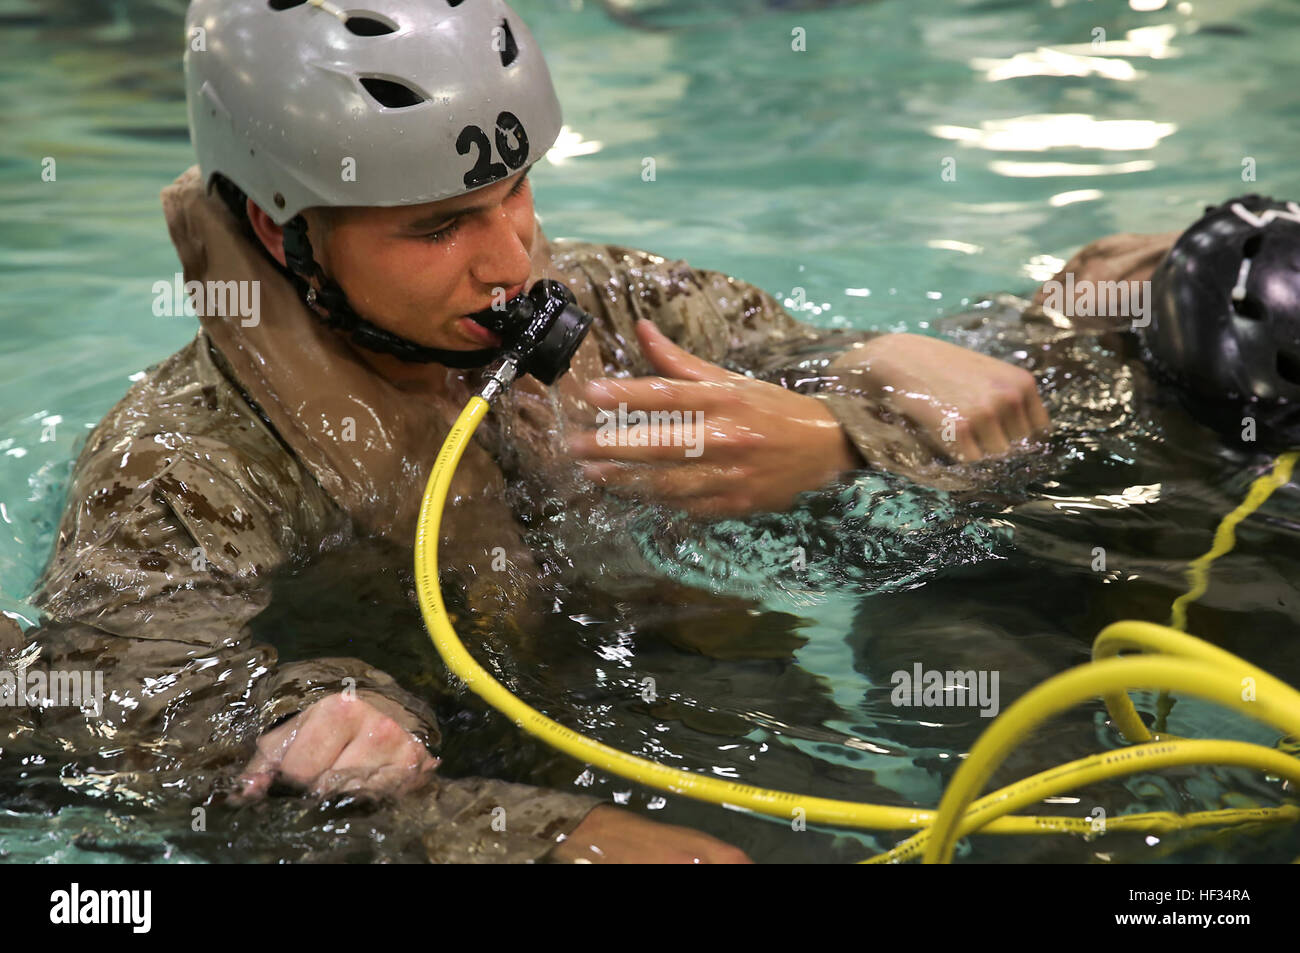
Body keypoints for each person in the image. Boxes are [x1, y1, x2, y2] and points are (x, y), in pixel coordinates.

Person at [8, 0, 1049, 864]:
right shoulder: (181, 467)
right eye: (439, 224)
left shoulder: (611, 297)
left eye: (514, 194)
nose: (510, 259)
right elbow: (130, 735)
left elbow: (923, 403)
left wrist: (845, 428)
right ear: (286, 233)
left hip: (688, 687)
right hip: (453, 783)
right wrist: (529, 834)